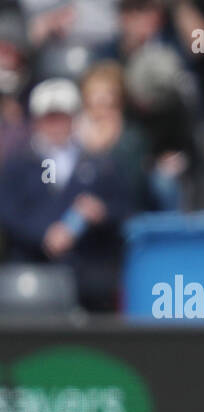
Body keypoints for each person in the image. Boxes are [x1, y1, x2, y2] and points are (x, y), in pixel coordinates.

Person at [0, 77, 127, 311]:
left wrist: (101, 213)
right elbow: (8, 212)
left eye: (63, 117)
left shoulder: (99, 164)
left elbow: (122, 209)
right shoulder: (17, 164)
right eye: (50, 117)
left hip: (87, 270)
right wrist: (45, 234)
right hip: (32, 264)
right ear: (36, 121)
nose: (56, 125)